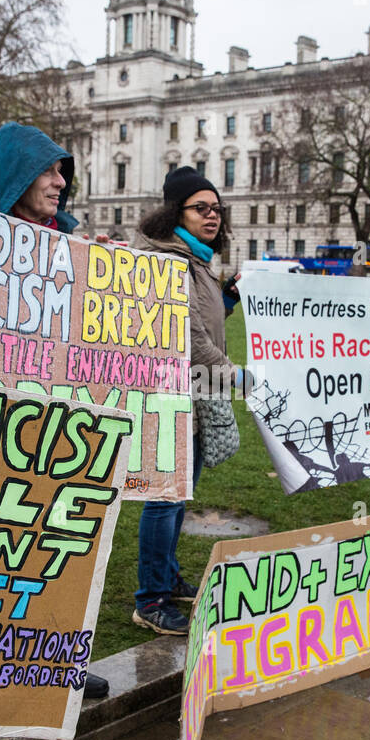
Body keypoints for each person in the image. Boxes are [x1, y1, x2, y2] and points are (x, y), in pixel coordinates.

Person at [0, 121, 109, 701]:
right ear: (16, 173)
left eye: (65, 172)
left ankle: (58, 661)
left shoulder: (76, 245)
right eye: (50, 169)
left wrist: (112, 278)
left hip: (64, 422)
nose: (61, 181)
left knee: (59, 542)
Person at [131, 166, 238, 635]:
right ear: (177, 212)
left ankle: (167, 576)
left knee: (178, 497)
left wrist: (227, 299)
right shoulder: (169, 261)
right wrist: (236, 375)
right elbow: (189, 338)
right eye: (201, 208)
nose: (212, 216)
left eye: (216, 209)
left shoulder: (196, 260)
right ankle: (150, 599)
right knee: (163, 499)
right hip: (168, 397)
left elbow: (206, 320)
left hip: (192, 397)